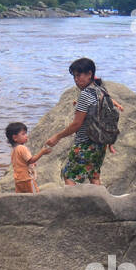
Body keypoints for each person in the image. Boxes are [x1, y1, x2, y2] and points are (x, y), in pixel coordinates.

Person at [45, 57, 124, 186]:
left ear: (89, 74)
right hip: (100, 143)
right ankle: (99, 204)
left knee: (68, 175)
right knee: (94, 175)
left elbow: (77, 124)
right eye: (74, 76)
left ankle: (75, 205)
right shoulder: (101, 90)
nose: (76, 79)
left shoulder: (86, 94)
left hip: (85, 143)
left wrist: (57, 137)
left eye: (79, 75)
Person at [6, 121, 51, 193]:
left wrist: (31, 165)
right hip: (27, 179)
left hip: (18, 180)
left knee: (21, 198)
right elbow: (31, 160)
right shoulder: (22, 148)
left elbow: (22, 163)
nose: (26, 136)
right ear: (15, 138)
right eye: (23, 134)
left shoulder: (14, 150)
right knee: (34, 197)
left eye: (26, 133)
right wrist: (42, 152)